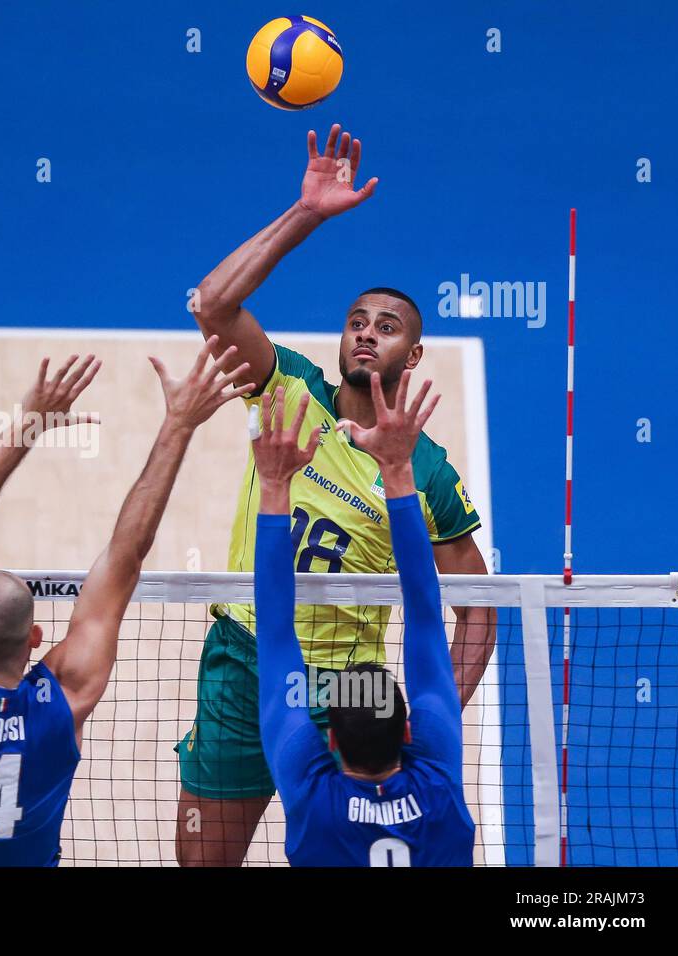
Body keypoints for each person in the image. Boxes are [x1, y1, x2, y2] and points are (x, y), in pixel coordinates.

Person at [177, 123, 492, 865]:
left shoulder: (424, 469)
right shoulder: (285, 388)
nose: (364, 334)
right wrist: (307, 214)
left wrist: (429, 722)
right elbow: (213, 307)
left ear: (411, 355)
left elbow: (480, 606)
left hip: (348, 692)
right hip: (245, 658)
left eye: (386, 328)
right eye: (355, 322)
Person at [0, 342, 253, 865]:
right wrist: (179, 425)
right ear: (36, 640)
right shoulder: (63, 699)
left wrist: (28, 425)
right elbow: (125, 558)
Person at [251, 370, 474, 865]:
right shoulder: (438, 787)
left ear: (327, 739)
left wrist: (272, 485)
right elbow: (426, 616)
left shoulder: (314, 802)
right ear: (410, 734)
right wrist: (399, 469)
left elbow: (269, 627)